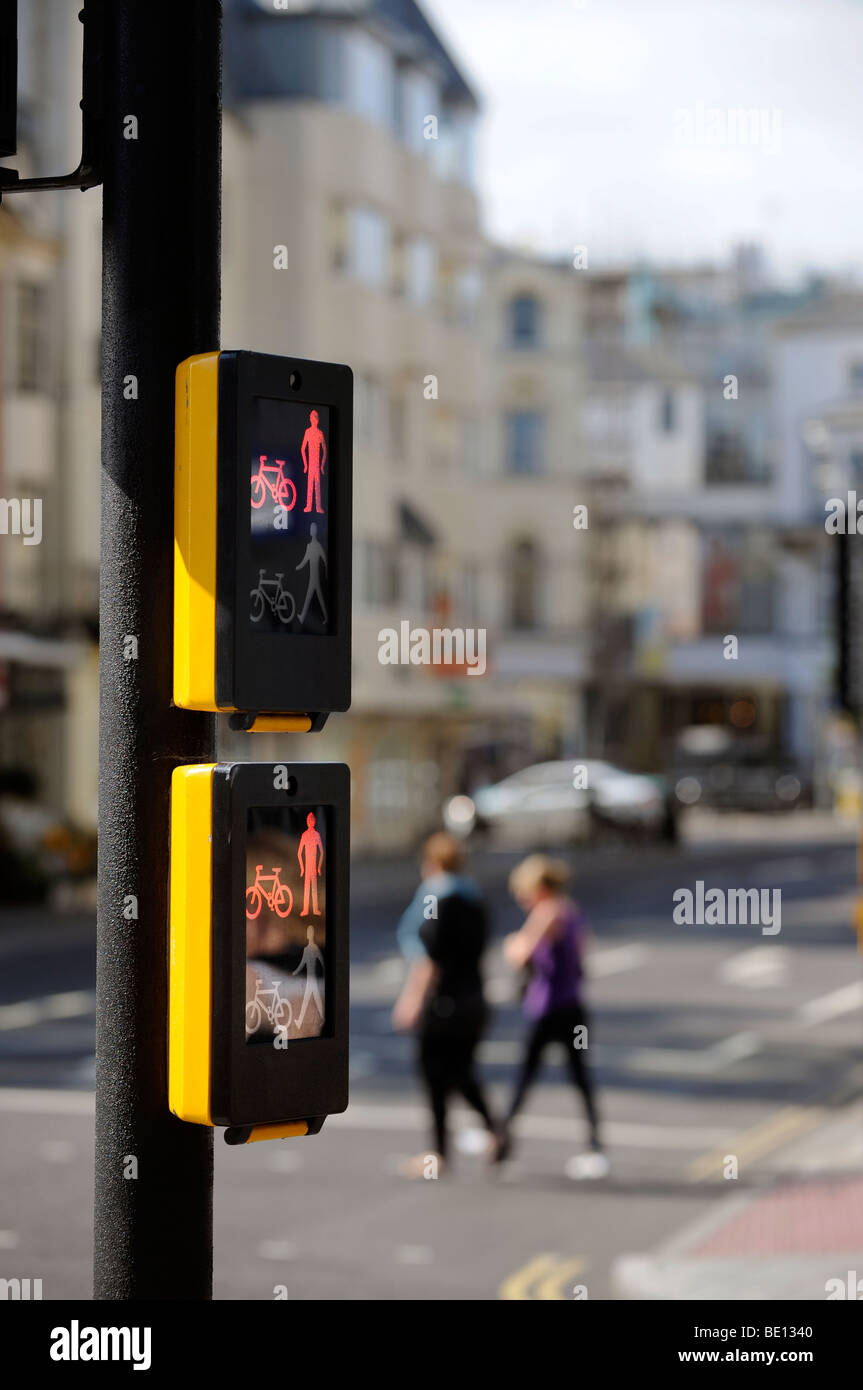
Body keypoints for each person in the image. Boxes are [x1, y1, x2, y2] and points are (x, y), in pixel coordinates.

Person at [497, 855, 608, 1178]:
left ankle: (501, 1142)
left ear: (539, 888)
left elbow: (520, 954)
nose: (522, 899)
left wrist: (510, 944)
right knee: (580, 1077)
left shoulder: (547, 912)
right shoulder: (572, 912)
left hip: (547, 1010)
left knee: (524, 1077)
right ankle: (595, 1146)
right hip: (574, 1007)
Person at [392, 833, 496, 1176]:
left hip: (443, 1005)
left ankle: (437, 1154)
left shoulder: (437, 901)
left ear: (432, 863)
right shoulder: (474, 899)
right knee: (463, 1072)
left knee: (434, 1074)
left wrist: (411, 1001)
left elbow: (429, 959)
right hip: (475, 999)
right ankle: (496, 1130)